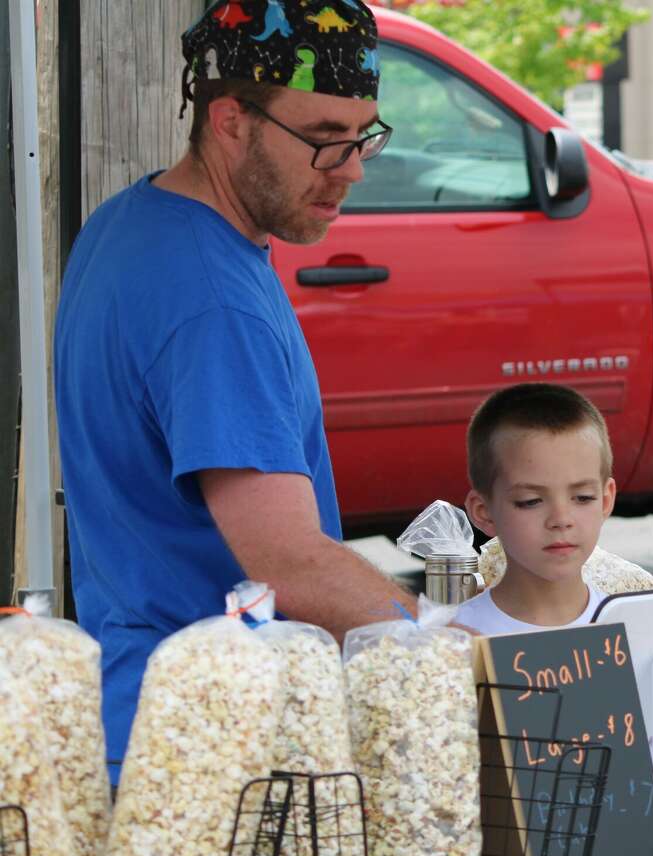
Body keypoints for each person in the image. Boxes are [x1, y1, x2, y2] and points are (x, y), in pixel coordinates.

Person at [54, 0, 416, 782]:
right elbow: (286, 559)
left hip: (145, 717)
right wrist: (445, 645)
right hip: (211, 747)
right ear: (229, 120)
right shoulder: (212, 298)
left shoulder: (126, 223)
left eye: (363, 137)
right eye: (323, 139)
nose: (351, 167)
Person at [457, 384, 617, 634]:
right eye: (530, 501)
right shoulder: (453, 642)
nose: (561, 520)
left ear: (606, 501)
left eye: (583, 497)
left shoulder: (637, 630)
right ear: (483, 512)